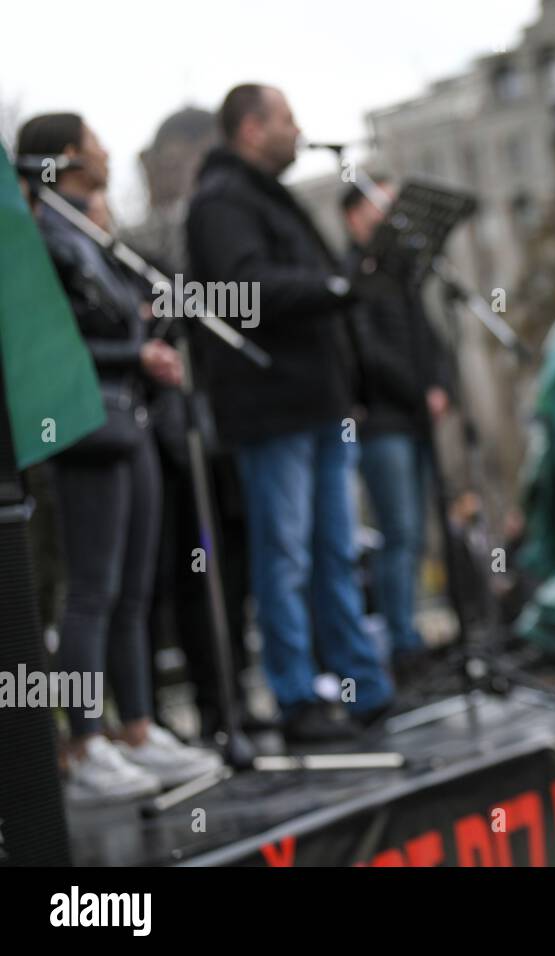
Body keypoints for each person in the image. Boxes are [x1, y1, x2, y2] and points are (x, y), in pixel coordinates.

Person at [18, 113, 222, 802]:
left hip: (127, 415)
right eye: (95, 140)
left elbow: (121, 314)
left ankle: (136, 729)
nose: (106, 149)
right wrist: (135, 349)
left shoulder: (87, 233)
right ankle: (85, 742)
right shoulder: (45, 234)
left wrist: (150, 326)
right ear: (70, 155)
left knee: (134, 590)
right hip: (88, 419)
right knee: (92, 591)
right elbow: (58, 342)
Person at [186, 85, 393, 742]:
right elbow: (242, 289)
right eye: (286, 120)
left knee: (336, 550)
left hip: (319, 402)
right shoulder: (221, 202)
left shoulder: (269, 198)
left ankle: (362, 688)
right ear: (251, 129)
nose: (298, 130)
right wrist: (332, 287)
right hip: (272, 409)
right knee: (286, 557)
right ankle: (296, 696)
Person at [339, 178, 454, 682]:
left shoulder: (403, 276)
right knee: (398, 531)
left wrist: (440, 384)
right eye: (377, 205)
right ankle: (401, 643)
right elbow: (368, 352)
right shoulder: (352, 278)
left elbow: (428, 338)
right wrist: (417, 389)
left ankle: (419, 635)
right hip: (384, 422)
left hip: (414, 418)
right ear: (354, 217)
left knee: (420, 529)